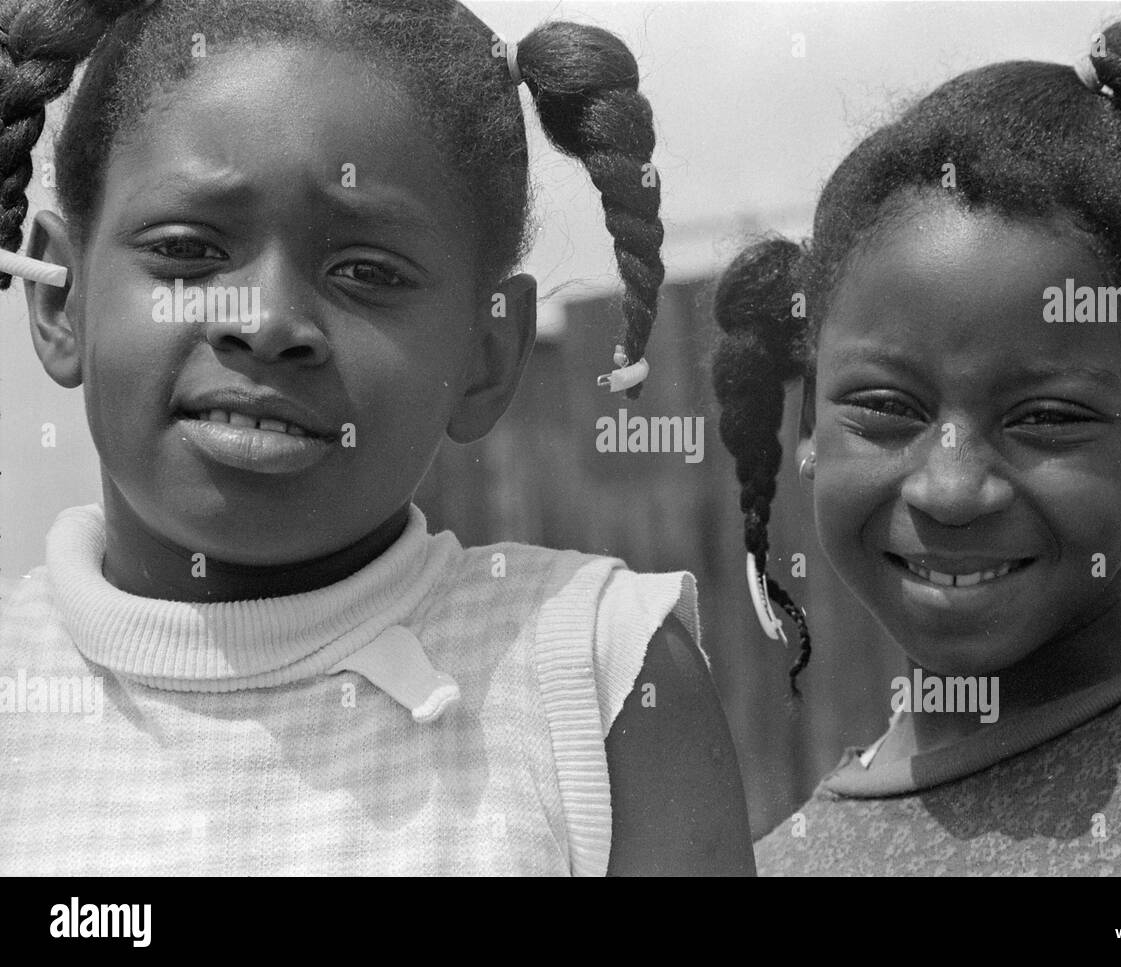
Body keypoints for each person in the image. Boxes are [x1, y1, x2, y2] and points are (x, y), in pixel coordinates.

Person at [0, 0, 753, 876]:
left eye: (365, 271)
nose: (270, 321)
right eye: (188, 250)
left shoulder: (597, 686)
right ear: (59, 297)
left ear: (486, 357)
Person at [712, 16, 1121, 875]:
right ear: (809, 426)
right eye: (885, 406)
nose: (951, 489)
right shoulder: (778, 864)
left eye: (1047, 418)